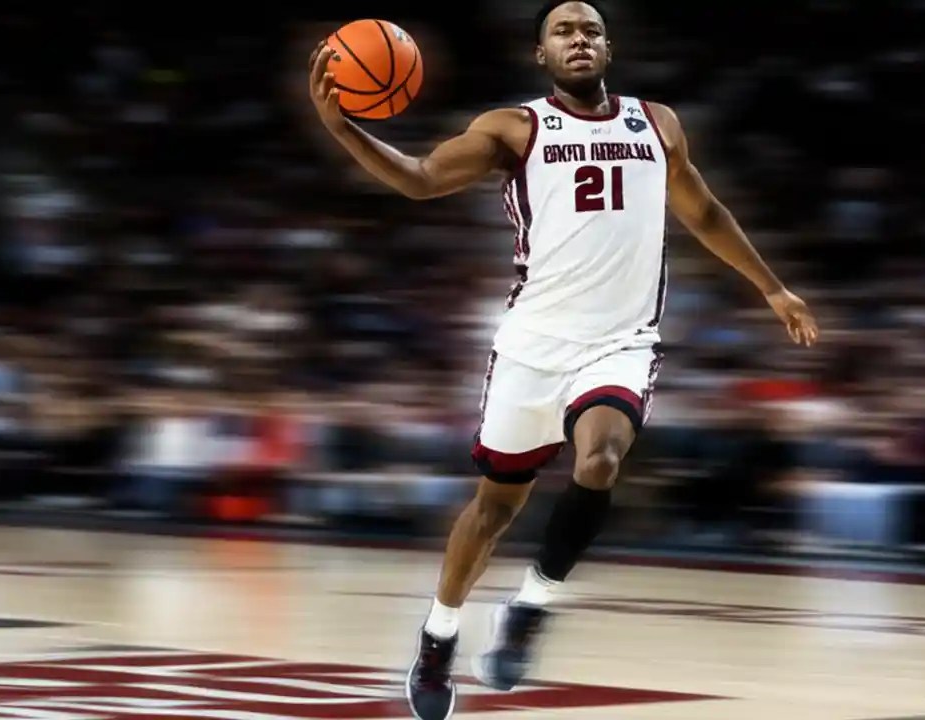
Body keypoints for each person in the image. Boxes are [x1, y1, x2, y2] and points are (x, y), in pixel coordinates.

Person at [307, 2, 818, 718]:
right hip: (531, 346)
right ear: (540, 56)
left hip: (621, 342)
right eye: (563, 32)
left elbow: (703, 213)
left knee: (601, 459)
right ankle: (438, 635)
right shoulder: (512, 128)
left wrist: (773, 287)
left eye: (591, 30)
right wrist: (342, 127)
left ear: (608, 48)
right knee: (493, 510)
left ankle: (532, 605)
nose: (579, 39)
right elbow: (420, 178)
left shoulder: (657, 122)